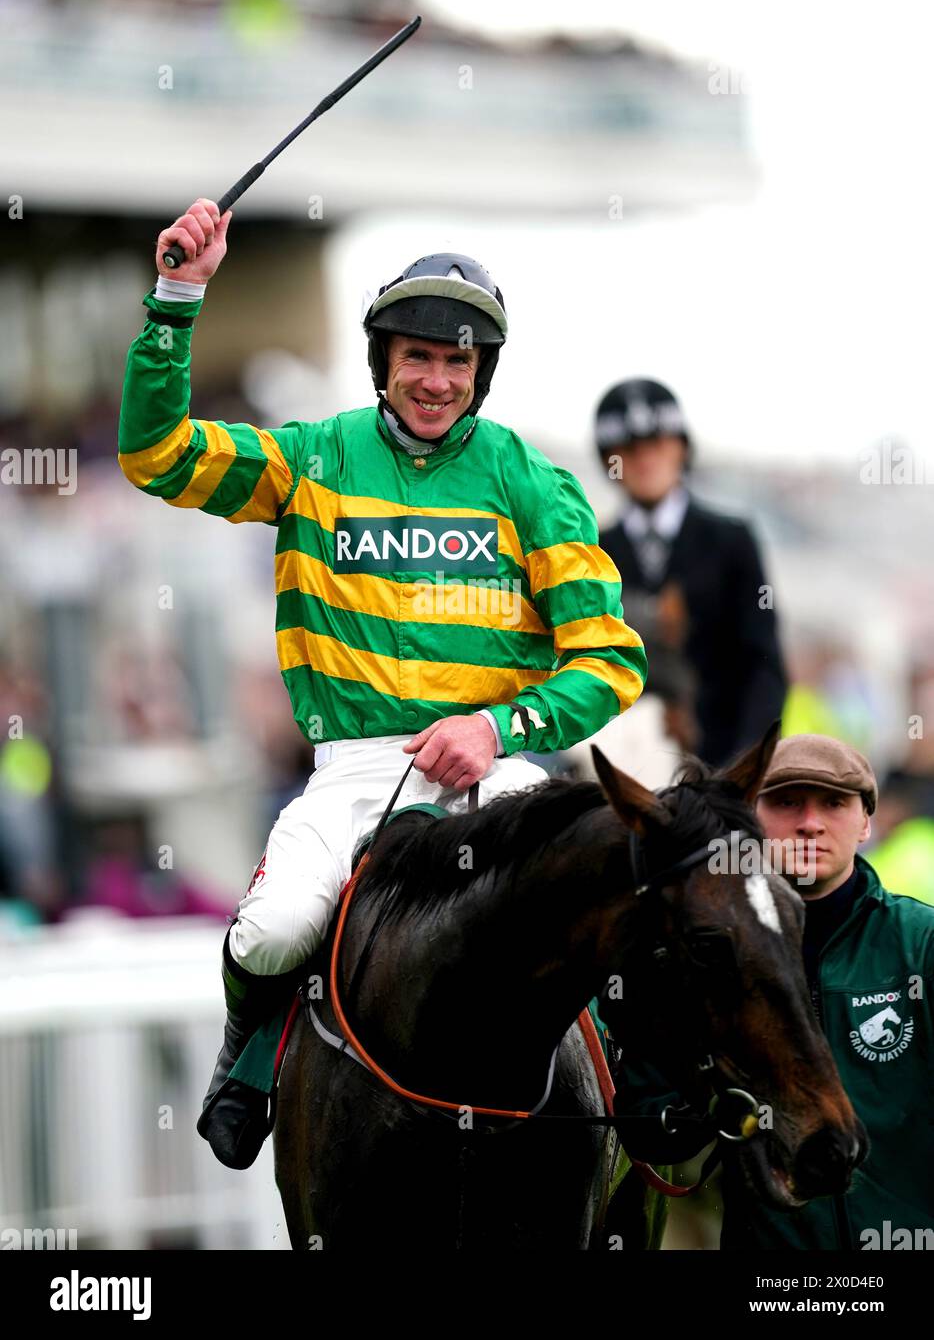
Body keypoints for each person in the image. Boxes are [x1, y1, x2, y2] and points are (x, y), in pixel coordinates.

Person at [118, 199, 648, 1168]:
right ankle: (247, 1058)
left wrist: (499, 726)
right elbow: (155, 454)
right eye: (417, 357)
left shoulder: (533, 483)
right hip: (358, 769)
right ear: (382, 361)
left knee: (613, 896)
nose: (437, 380)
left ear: (481, 373)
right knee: (275, 928)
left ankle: (635, 1105)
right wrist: (176, 298)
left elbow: (610, 660)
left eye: (457, 363)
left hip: (502, 771)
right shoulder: (311, 458)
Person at [611, 733, 934, 1249]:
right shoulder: (690, 951)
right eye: (786, 802)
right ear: (750, 820)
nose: (810, 822)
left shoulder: (922, 942)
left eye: (834, 803)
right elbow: (647, 1125)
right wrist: (714, 1108)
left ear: (866, 822)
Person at [595, 379, 787, 768]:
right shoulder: (592, 549)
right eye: (629, 450)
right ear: (608, 461)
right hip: (621, 770)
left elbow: (763, 663)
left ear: (682, 448)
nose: (645, 459)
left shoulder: (732, 542)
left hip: (719, 761)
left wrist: (746, 765)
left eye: (657, 444)